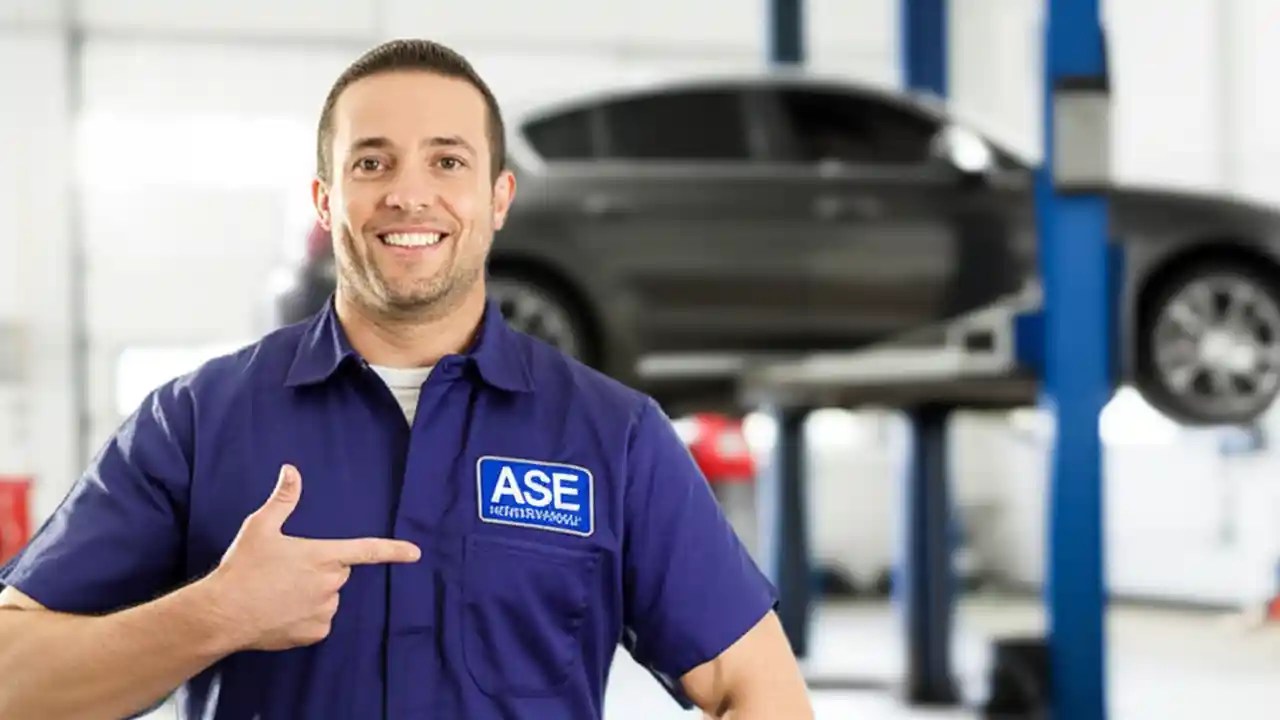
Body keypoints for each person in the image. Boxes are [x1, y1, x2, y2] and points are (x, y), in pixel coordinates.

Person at [0, 38, 813, 719]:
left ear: (499, 198)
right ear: (325, 201)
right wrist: (214, 615)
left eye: (447, 161)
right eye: (372, 162)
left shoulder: (613, 437)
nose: (409, 193)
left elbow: (760, 691)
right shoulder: (195, 423)